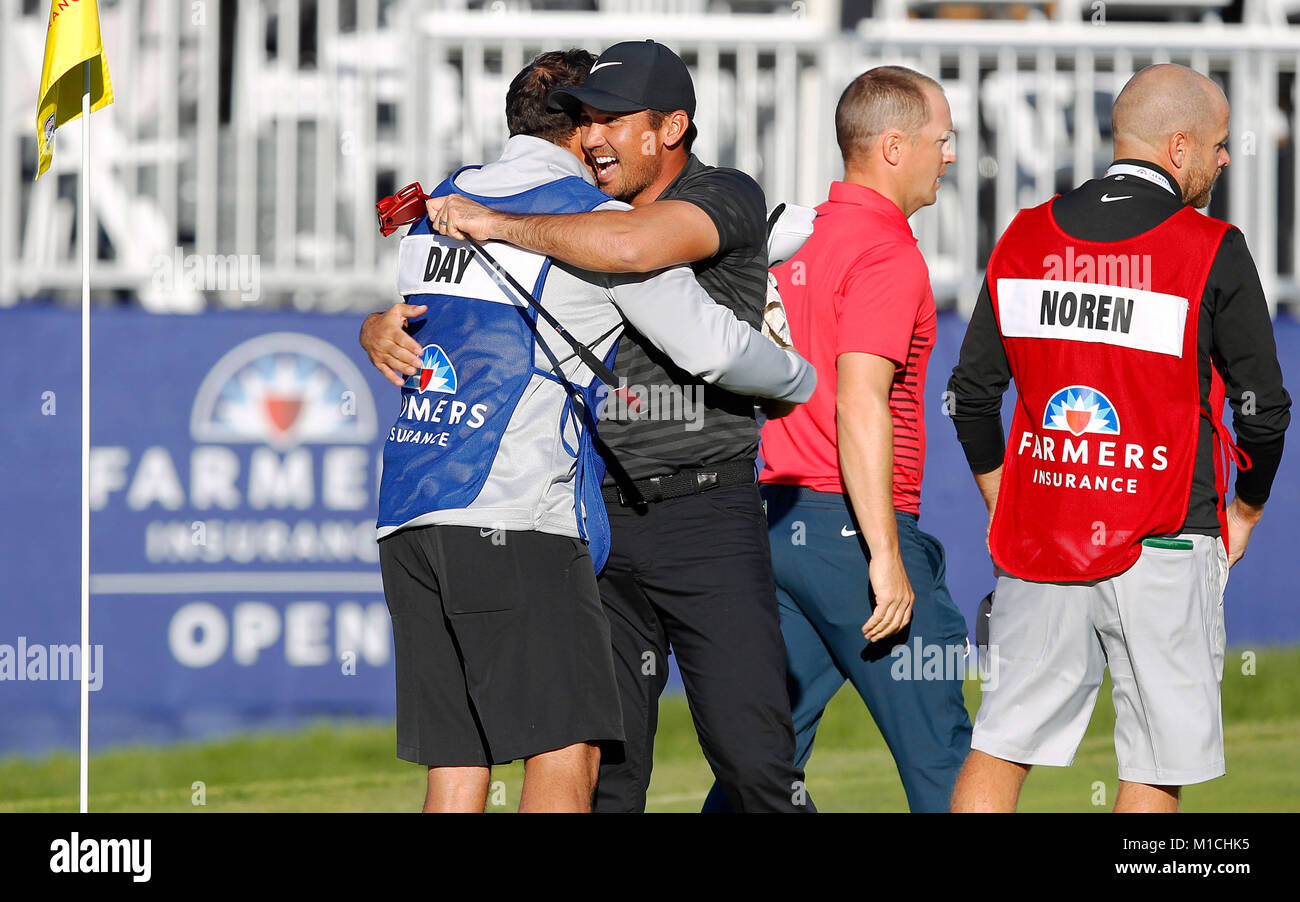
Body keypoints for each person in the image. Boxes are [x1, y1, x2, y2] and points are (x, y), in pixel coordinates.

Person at [363, 49, 816, 813]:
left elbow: (432, 318)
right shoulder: (586, 217)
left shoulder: (441, 201)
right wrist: (798, 378)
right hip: (534, 511)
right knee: (575, 750)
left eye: (615, 115)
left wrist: (376, 323)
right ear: (573, 129)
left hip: (417, 504)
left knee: (461, 763)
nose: (602, 135)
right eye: (593, 116)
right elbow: (682, 312)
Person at [947, 63, 1290, 813]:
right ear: (1178, 146)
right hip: (1167, 540)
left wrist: (1010, 502)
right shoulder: (1211, 246)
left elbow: (970, 397)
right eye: (1218, 143)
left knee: (1000, 746)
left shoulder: (1027, 233)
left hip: (1043, 545)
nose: (1225, 158)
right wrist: (1248, 510)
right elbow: (1264, 409)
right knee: (1153, 764)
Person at [702, 66, 973, 814]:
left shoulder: (796, 238)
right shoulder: (886, 252)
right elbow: (860, 402)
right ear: (894, 147)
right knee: (947, 763)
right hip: (850, 532)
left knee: (762, 767)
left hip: (777, 525)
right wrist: (885, 555)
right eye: (939, 140)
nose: (948, 156)